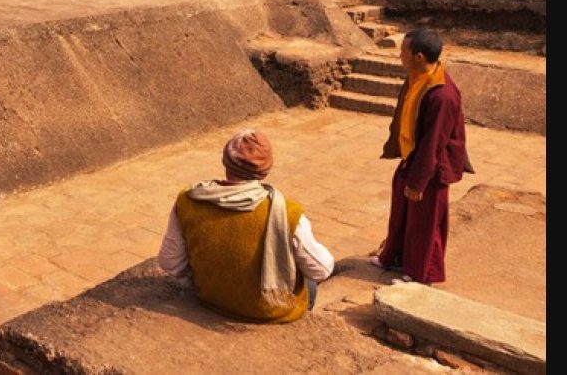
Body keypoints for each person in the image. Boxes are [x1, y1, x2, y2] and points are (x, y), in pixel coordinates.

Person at [157, 129, 334, 323]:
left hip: (209, 298)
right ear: (265, 170)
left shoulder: (188, 200)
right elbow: (321, 269)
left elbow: (169, 261)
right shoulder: (286, 211)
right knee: (309, 281)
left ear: (225, 161)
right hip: (268, 311)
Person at [370, 28, 473, 284]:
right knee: (402, 212)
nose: (399, 56)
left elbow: (434, 143)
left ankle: (420, 273)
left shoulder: (443, 95)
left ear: (417, 56)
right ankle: (394, 258)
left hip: (432, 167)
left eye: (402, 51)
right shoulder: (416, 77)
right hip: (412, 157)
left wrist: (419, 182)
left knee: (424, 223)